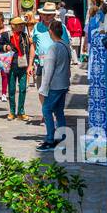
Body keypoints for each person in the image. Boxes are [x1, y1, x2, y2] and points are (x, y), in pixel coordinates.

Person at [39, 19, 72, 150]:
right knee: (59, 112)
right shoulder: (65, 45)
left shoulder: (53, 48)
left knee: (46, 110)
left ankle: (50, 139)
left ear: (51, 32)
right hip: (64, 83)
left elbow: (48, 71)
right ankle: (62, 139)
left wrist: (43, 88)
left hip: (55, 85)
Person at [6, 14, 31, 121]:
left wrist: (31, 65)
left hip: (23, 65)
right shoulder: (7, 35)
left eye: (22, 25)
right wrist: (5, 47)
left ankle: (21, 112)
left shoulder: (25, 36)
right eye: (19, 25)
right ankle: (12, 111)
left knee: (22, 89)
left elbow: (29, 51)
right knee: (11, 90)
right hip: (11, 66)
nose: (21, 26)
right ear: (13, 26)